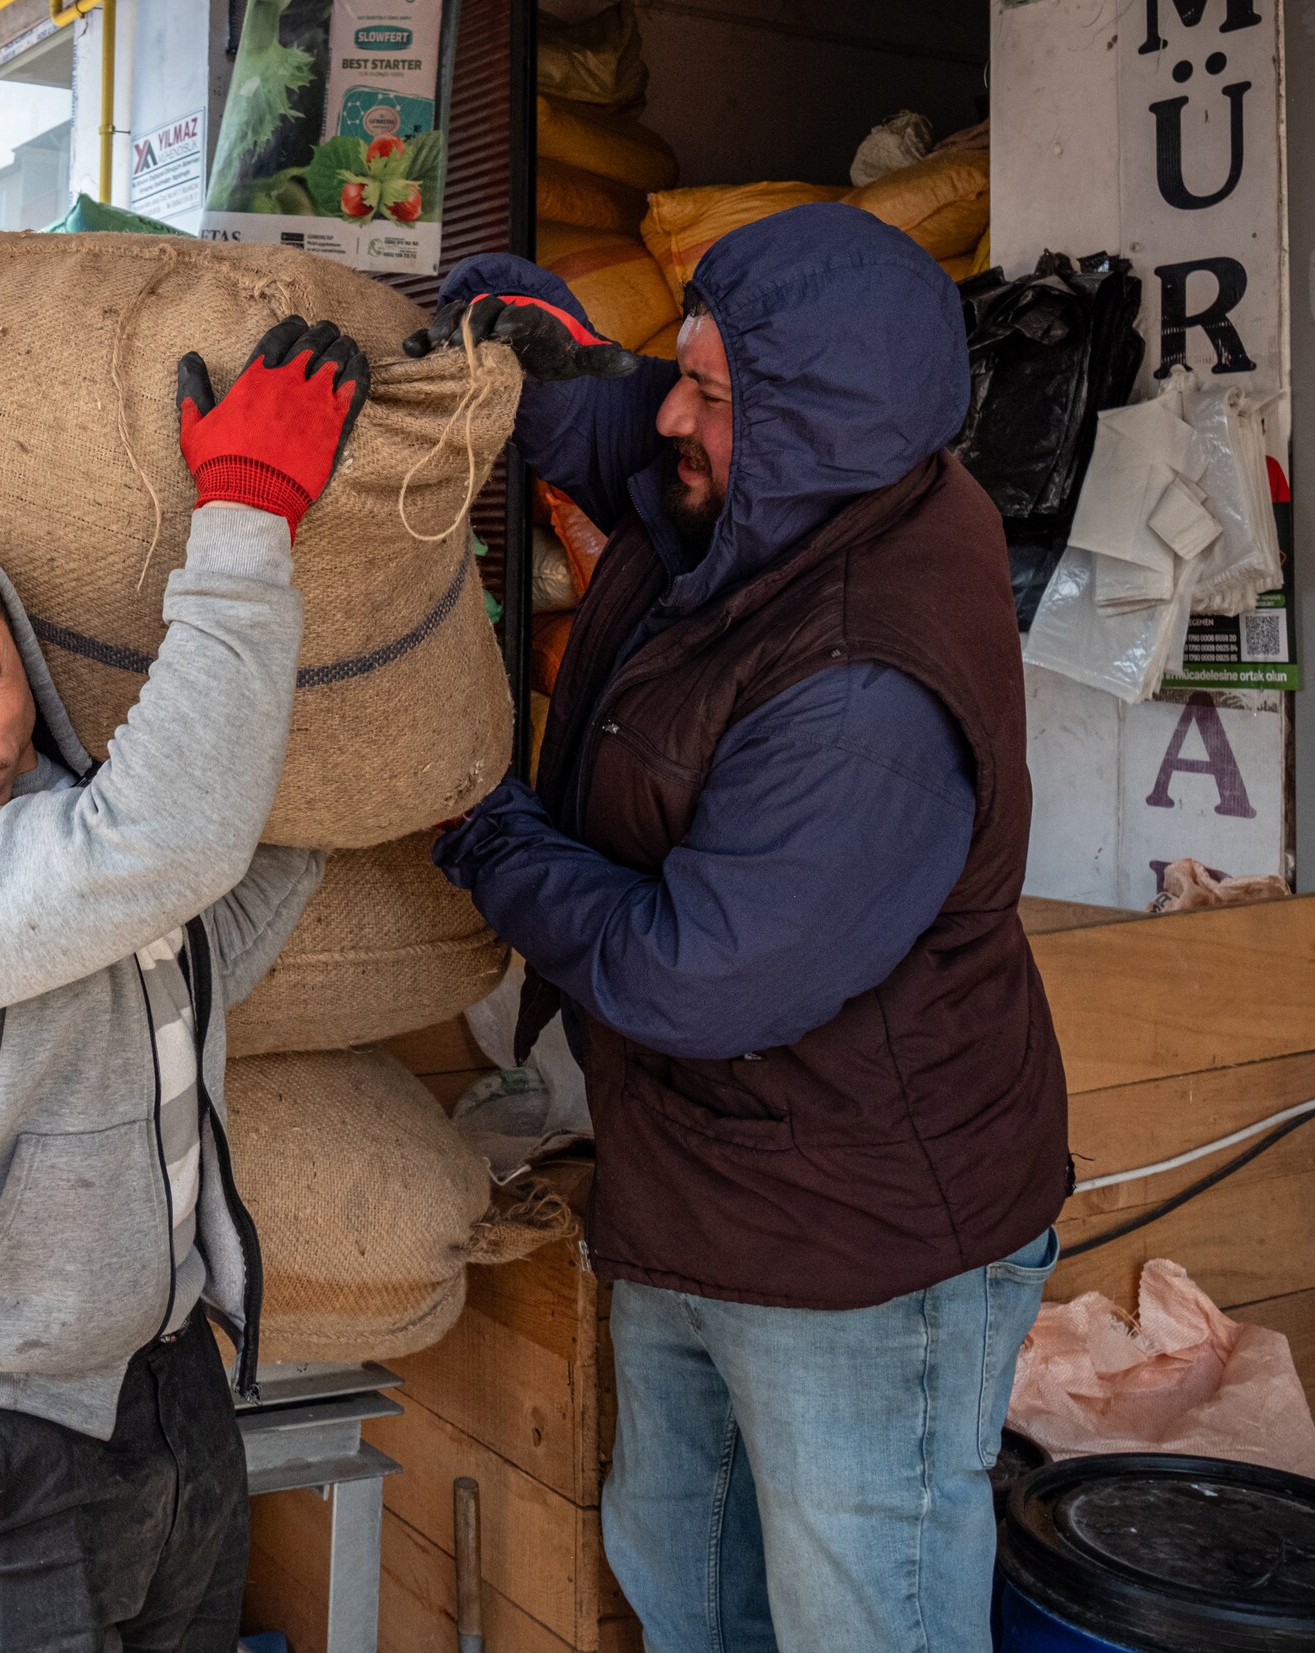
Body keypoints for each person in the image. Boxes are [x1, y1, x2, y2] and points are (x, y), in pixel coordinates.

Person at [412, 204, 1071, 1652]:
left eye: (707, 392)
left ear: (805, 431)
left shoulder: (863, 694)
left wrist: (491, 834)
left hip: (863, 1242)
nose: (673, 416)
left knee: (856, 1620)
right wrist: (548, 357)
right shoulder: (791, 476)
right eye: (685, 370)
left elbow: (692, 973)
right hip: (710, 1182)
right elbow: (631, 435)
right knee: (686, 1577)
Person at [0, 318, 371, 1653]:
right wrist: (248, 516)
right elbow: (162, 848)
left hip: (159, 1370)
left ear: (19, 650)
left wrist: (370, 717)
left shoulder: (62, 804)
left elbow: (182, 932)